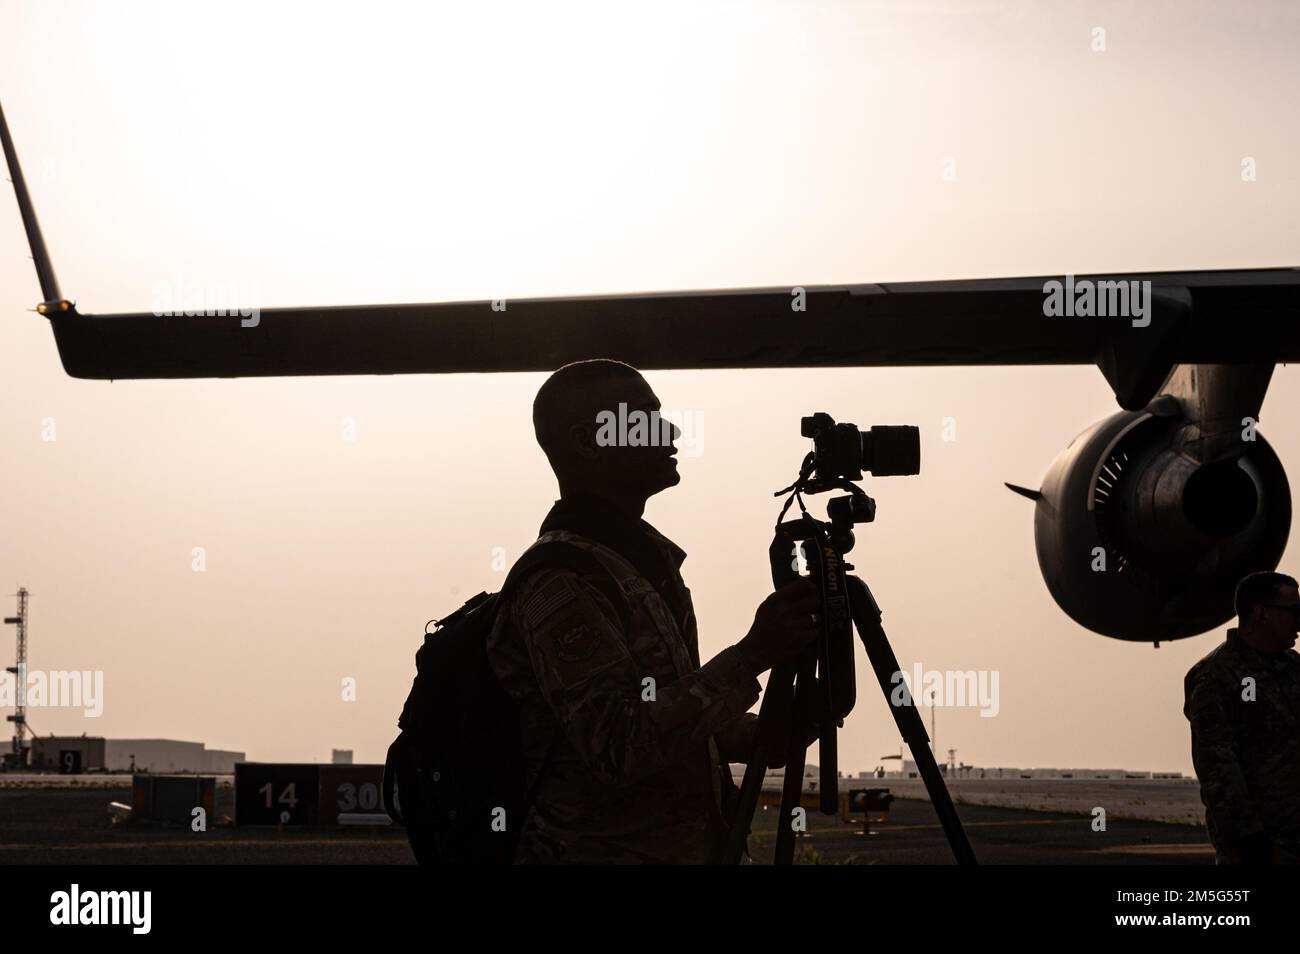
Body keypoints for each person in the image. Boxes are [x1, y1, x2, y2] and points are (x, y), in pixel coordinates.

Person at [485, 358, 821, 863]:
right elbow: (618, 745)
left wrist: (782, 726)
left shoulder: (638, 563)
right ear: (586, 442)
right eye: (641, 418)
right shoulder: (561, 583)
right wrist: (751, 656)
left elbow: (674, 729)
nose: (669, 430)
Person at [1184, 570, 1300, 864]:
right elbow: (1219, 770)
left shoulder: (1293, 668)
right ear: (1261, 613)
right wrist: (1250, 840)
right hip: (1262, 848)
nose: (1299, 620)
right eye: (1293, 611)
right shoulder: (1215, 678)